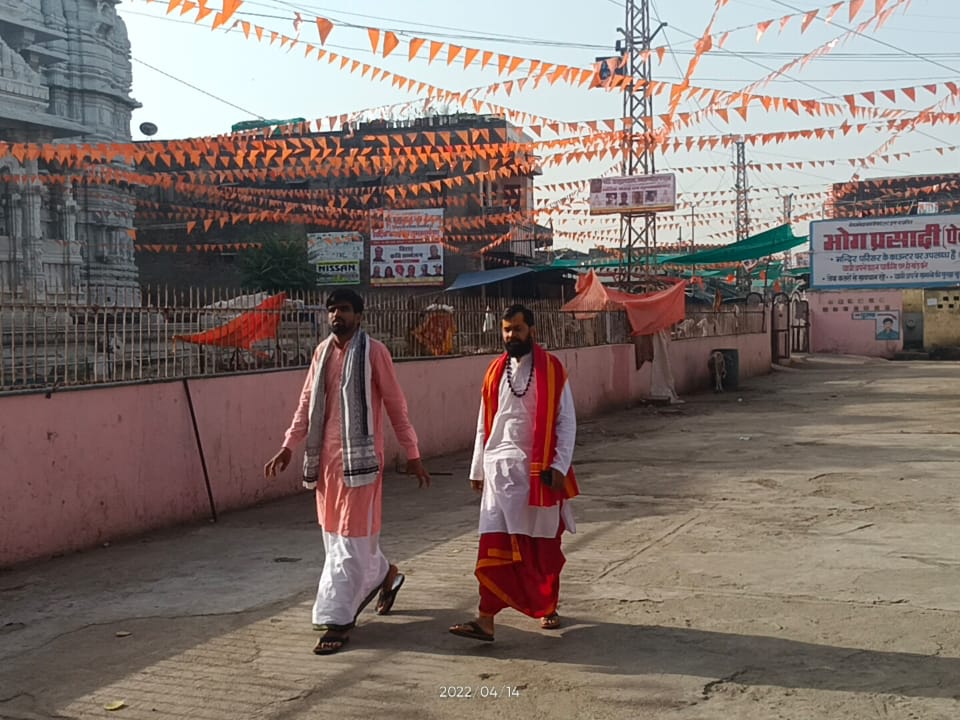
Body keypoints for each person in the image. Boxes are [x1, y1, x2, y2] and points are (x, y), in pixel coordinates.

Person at [264, 289, 431, 655]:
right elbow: (306, 403)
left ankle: (336, 619)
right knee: (335, 538)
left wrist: (413, 452)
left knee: (350, 542)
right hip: (326, 464)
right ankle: (385, 573)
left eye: (344, 309)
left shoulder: (374, 352)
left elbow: (396, 405)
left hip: (362, 463)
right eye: (332, 310)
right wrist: (288, 446)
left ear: (359, 315)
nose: (336, 315)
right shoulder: (321, 353)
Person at [449, 304, 578, 643]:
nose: (510, 336)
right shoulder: (494, 370)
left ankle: (548, 606)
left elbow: (566, 421)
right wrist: (477, 467)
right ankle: (485, 619)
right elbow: (484, 423)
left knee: (542, 548)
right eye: (506, 330)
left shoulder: (552, 369)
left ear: (531, 330)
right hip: (499, 473)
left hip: (538, 472)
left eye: (517, 329)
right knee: (494, 547)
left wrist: (559, 466)